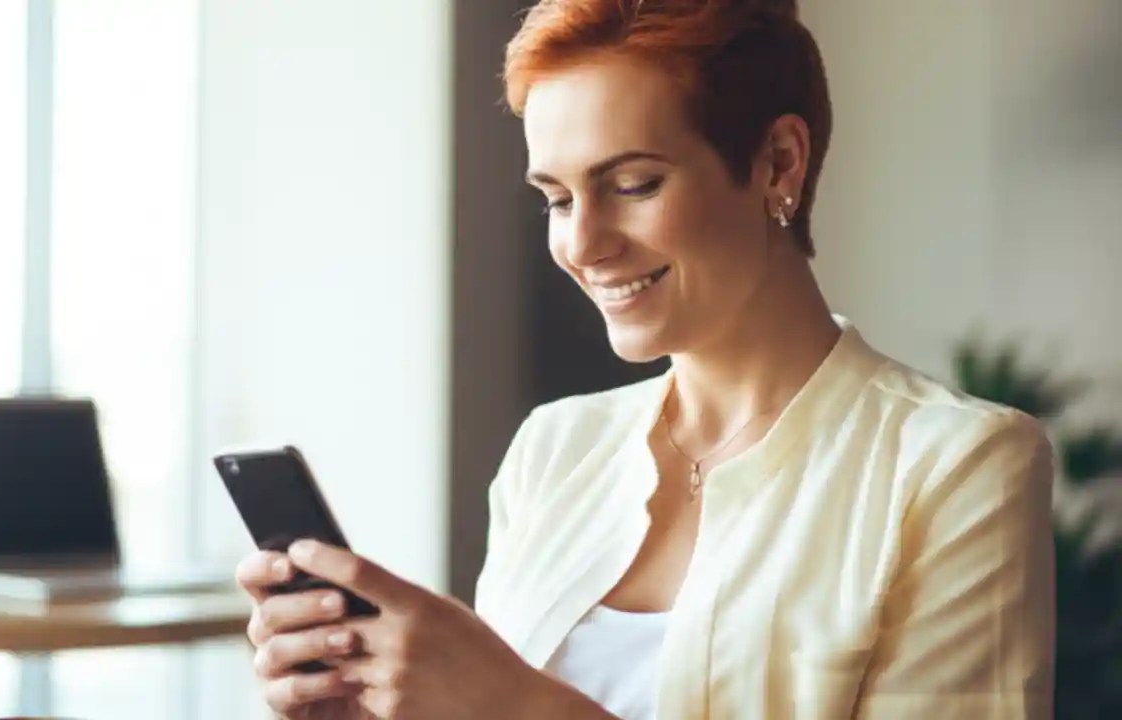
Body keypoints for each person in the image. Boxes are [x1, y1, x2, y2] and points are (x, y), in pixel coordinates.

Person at [235, 0, 1056, 717]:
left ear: (779, 163)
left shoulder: (955, 468)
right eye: (556, 198)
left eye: (632, 184)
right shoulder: (553, 453)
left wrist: (515, 708)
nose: (582, 243)